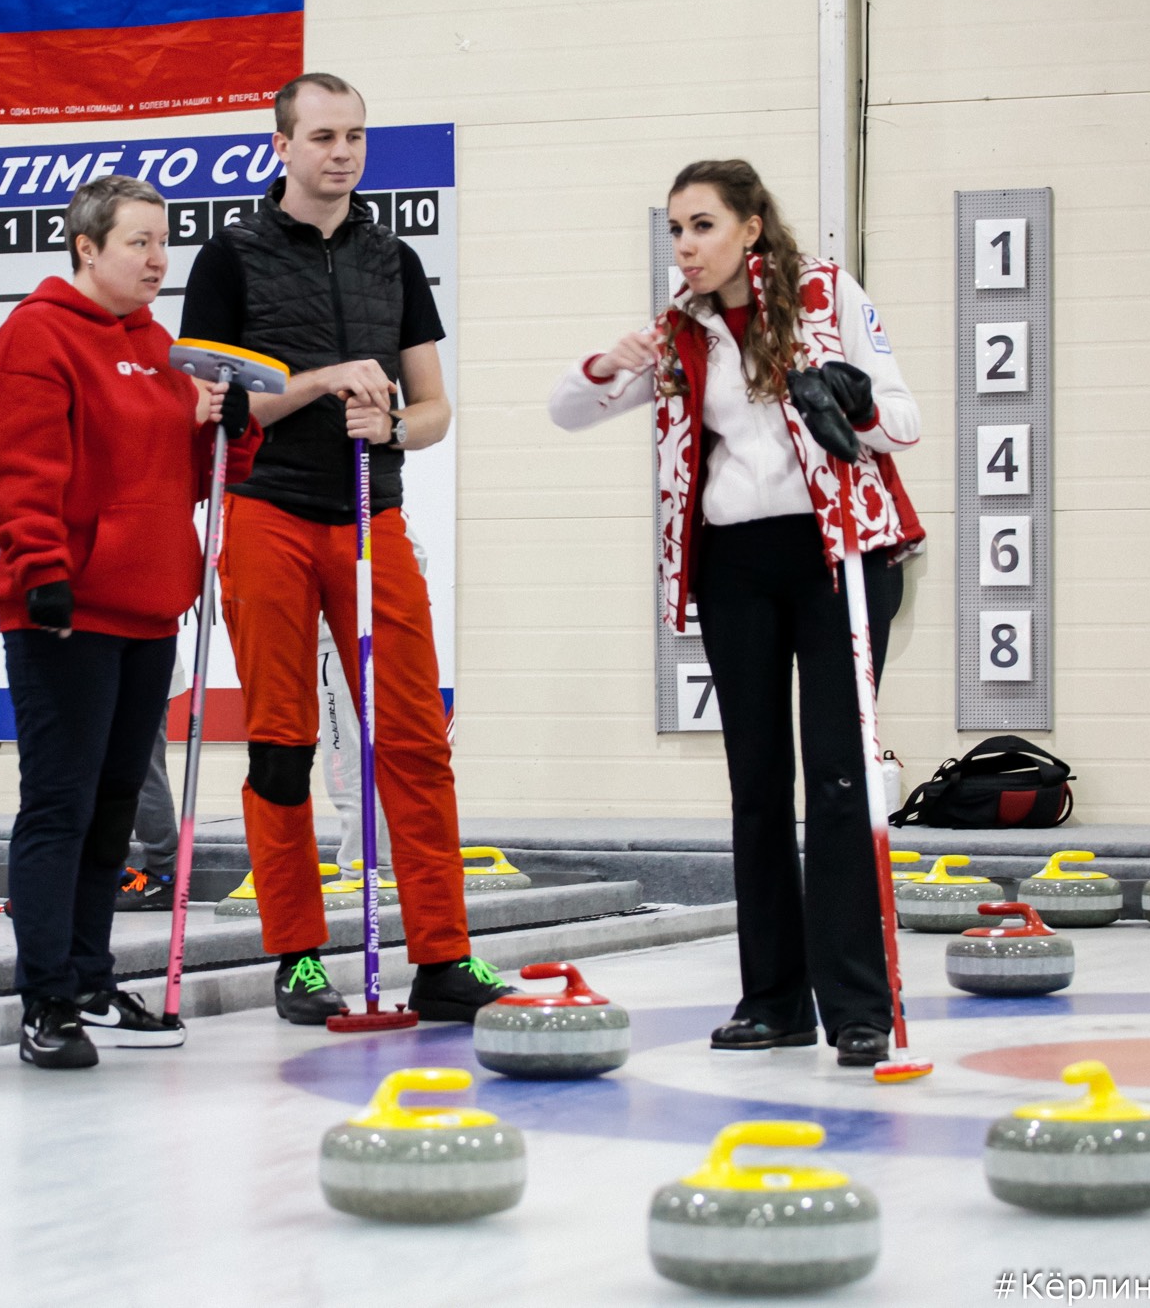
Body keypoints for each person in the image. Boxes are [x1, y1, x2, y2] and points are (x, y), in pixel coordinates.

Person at [547, 158, 925, 1069]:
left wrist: (857, 404)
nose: (686, 246)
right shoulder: (681, 330)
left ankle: (858, 1007)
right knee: (757, 787)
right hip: (737, 569)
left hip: (838, 555)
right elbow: (566, 408)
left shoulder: (827, 296)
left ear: (752, 228)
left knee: (837, 780)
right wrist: (612, 361)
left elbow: (905, 422)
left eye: (703, 225)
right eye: (676, 229)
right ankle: (773, 1000)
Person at [180, 73, 512, 1026]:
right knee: (282, 739)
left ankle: (444, 953)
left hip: (375, 516)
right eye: (324, 135)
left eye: (357, 136)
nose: (344, 152)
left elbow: (436, 408)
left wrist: (393, 427)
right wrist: (322, 383)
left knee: (413, 736)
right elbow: (217, 407)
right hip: (268, 511)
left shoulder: (392, 259)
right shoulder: (230, 259)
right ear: (282, 144)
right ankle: (296, 955)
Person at [0, 174, 260, 1070]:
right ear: (86, 248)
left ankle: (90, 977)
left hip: (147, 609)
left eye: (162, 241)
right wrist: (42, 568)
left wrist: (234, 427)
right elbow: (19, 465)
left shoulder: (160, 347)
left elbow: (198, 471)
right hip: (65, 611)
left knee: (111, 810)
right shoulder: (36, 335)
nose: (158, 259)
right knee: (60, 802)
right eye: (138, 241)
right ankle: (45, 996)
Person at [113, 657, 186, 912]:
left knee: (142, 770)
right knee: (109, 771)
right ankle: (109, 871)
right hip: (115, 660)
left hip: (131, 658)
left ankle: (162, 876)